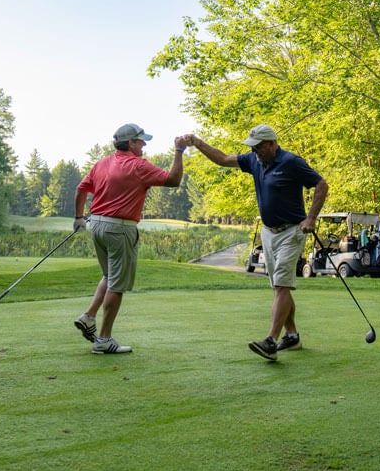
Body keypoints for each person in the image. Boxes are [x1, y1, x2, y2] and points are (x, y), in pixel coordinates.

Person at [186, 124, 328, 361]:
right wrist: (197, 142)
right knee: (278, 286)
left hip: (292, 232)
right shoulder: (254, 160)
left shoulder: (291, 162)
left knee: (281, 285)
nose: (254, 151)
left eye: (258, 147)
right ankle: (292, 336)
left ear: (272, 144)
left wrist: (311, 218)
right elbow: (222, 159)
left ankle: (271, 340)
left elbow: (321, 185)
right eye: (252, 147)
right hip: (268, 232)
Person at [71, 123, 188, 354]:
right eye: (140, 141)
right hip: (119, 228)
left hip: (97, 225)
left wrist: (77, 218)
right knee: (117, 284)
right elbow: (174, 180)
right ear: (131, 143)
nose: (144, 145)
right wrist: (179, 151)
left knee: (109, 276)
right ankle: (104, 339)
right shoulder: (138, 165)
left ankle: (89, 316)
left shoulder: (102, 163)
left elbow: (80, 189)